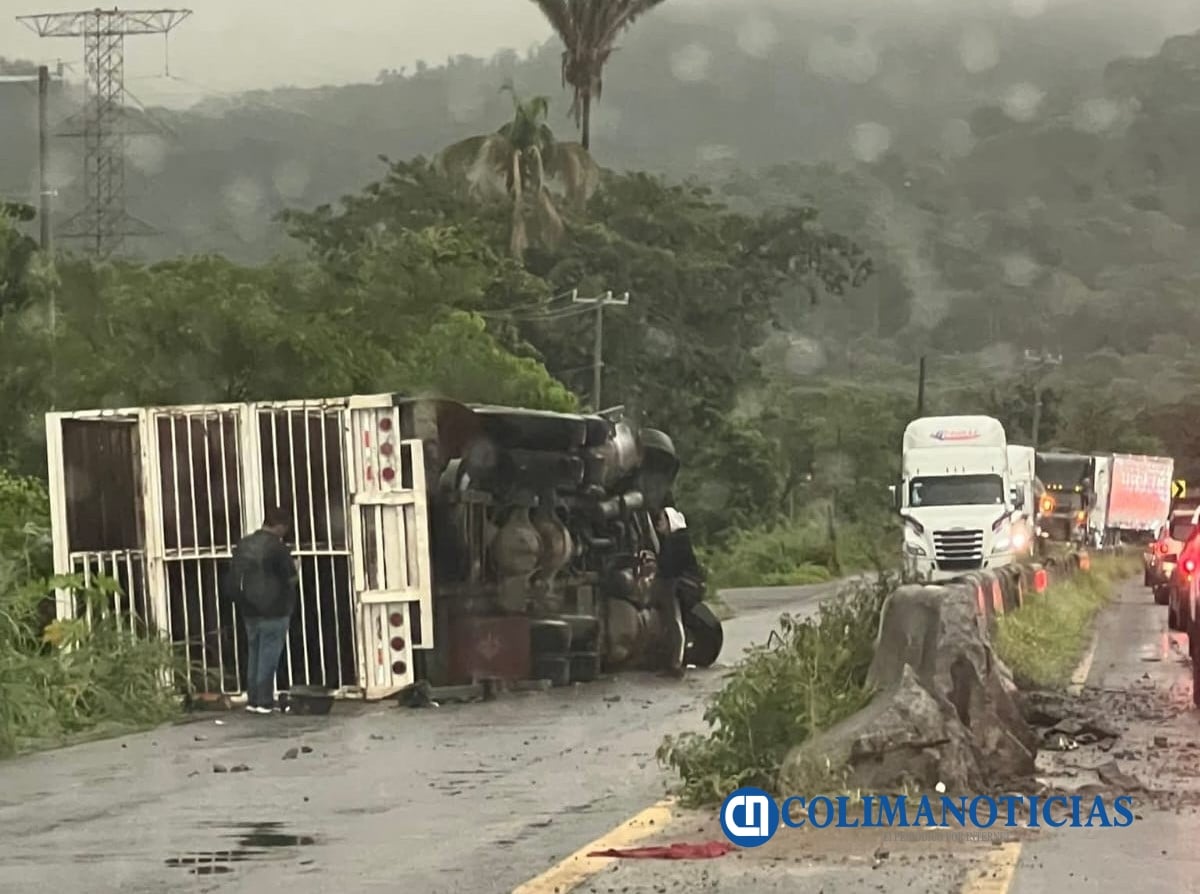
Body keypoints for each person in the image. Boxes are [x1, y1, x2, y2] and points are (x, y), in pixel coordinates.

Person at [225, 505, 298, 714]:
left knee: (255, 654)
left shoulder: (244, 544)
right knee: (269, 655)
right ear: (281, 526)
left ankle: (253, 699)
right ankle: (264, 701)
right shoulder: (278, 548)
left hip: (249, 609)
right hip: (275, 609)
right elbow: (291, 578)